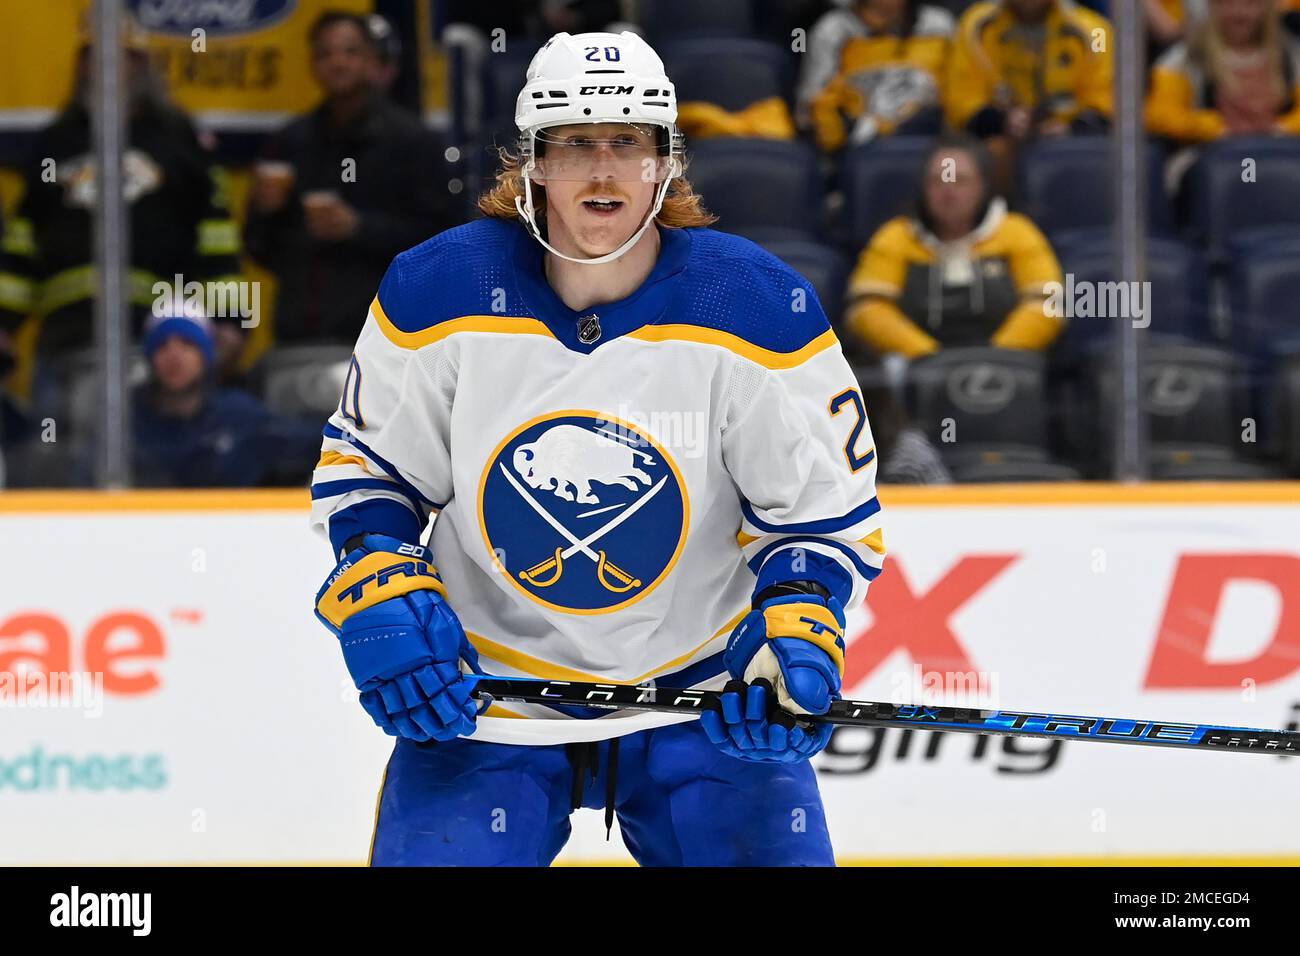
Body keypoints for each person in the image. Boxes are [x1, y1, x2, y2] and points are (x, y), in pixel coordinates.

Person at [309, 31, 886, 866]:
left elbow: (820, 517)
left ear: (664, 163)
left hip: (701, 697)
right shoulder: (438, 289)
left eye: (628, 142)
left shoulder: (754, 307)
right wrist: (377, 580)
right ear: (533, 164)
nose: (604, 169)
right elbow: (373, 471)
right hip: (493, 697)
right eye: (576, 143)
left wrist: (795, 624)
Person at [0, 16, 241, 361]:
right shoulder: (56, 142)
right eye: (94, 56)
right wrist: (4, 324)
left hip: (160, 338)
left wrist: (228, 319)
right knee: (55, 417)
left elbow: (217, 238)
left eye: (120, 57)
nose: (105, 68)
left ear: (141, 65)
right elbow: (22, 240)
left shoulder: (180, 141)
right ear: (81, 65)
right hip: (63, 339)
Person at [244, 11, 460, 345]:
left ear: (374, 61)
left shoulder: (413, 142)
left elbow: (441, 241)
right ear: (312, 65)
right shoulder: (289, 141)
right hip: (299, 332)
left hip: (387, 332)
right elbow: (259, 247)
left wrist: (359, 227)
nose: (338, 62)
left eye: (350, 51)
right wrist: (264, 210)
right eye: (325, 53)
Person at [844, 136, 1064, 358]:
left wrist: (998, 356)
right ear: (924, 188)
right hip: (917, 369)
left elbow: (1048, 305)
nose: (949, 193)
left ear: (983, 186)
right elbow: (867, 309)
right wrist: (930, 357)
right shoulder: (895, 236)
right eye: (938, 181)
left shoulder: (1018, 232)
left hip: (1006, 367)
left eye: (960, 181)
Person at [132, 309, 319, 487]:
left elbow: (313, 442)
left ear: (205, 355)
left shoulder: (240, 416)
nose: (174, 356)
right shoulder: (124, 423)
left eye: (187, 344)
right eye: (162, 345)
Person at [946, 0, 1114, 190]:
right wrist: (1004, 121)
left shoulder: (1096, 32)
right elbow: (962, 105)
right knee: (977, 156)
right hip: (1001, 142)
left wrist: (1069, 129)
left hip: (1071, 144)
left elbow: (1106, 103)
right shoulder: (975, 25)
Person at [800, 0, 955, 152]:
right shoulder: (832, 30)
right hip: (858, 143)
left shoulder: (940, 25)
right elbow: (812, 103)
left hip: (929, 137)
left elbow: (954, 95)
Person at [1145, 0, 1300, 144]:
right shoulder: (1186, 57)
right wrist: (1216, 128)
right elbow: (1159, 114)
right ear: (1212, 7)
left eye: (1250, 3)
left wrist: (1279, 128)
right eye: (1227, 3)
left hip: (1279, 147)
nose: (1239, 13)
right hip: (1208, 150)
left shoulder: (1290, 54)